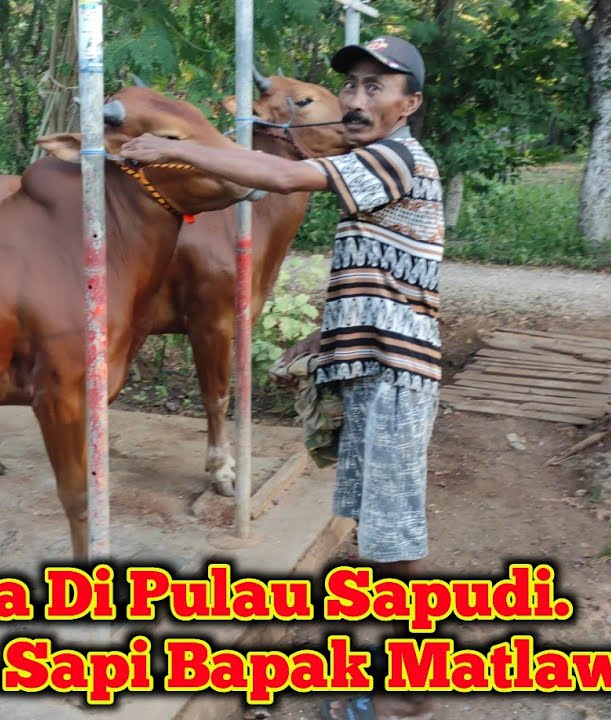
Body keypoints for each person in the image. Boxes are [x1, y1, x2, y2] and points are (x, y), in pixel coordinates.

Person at [122, 36, 442, 720]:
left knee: (391, 535)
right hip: (371, 363)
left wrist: (171, 150)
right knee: (371, 526)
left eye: (375, 88)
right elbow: (390, 270)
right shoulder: (375, 162)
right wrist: (324, 334)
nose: (356, 101)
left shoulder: (395, 156)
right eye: (351, 85)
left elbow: (287, 178)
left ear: (408, 104)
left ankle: (400, 687)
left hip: (392, 373)